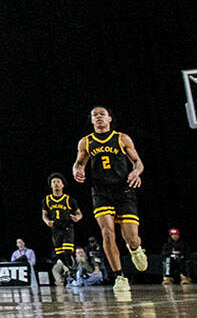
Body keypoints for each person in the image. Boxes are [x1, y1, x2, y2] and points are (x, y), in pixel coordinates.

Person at [73, 106, 147, 294]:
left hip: (123, 190)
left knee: (131, 237)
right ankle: (119, 276)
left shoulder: (122, 138)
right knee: (107, 233)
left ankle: (135, 249)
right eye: (95, 115)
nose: (98, 117)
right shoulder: (86, 142)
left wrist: (136, 172)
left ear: (109, 119)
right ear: (91, 120)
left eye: (102, 114)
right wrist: (77, 170)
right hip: (101, 192)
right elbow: (79, 163)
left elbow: (137, 162)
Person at [41, 173, 82, 284]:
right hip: (55, 229)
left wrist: (77, 218)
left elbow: (79, 213)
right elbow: (44, 215)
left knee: (67, 251)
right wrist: (47, 221)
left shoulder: (69, 199)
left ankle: (72, 269)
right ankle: (71, 270)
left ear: (63, 185)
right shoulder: (47, 200)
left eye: (58, 182)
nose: (56, 184)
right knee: (59, 254)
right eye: (53, 182)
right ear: (51, 186)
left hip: (67, 227)